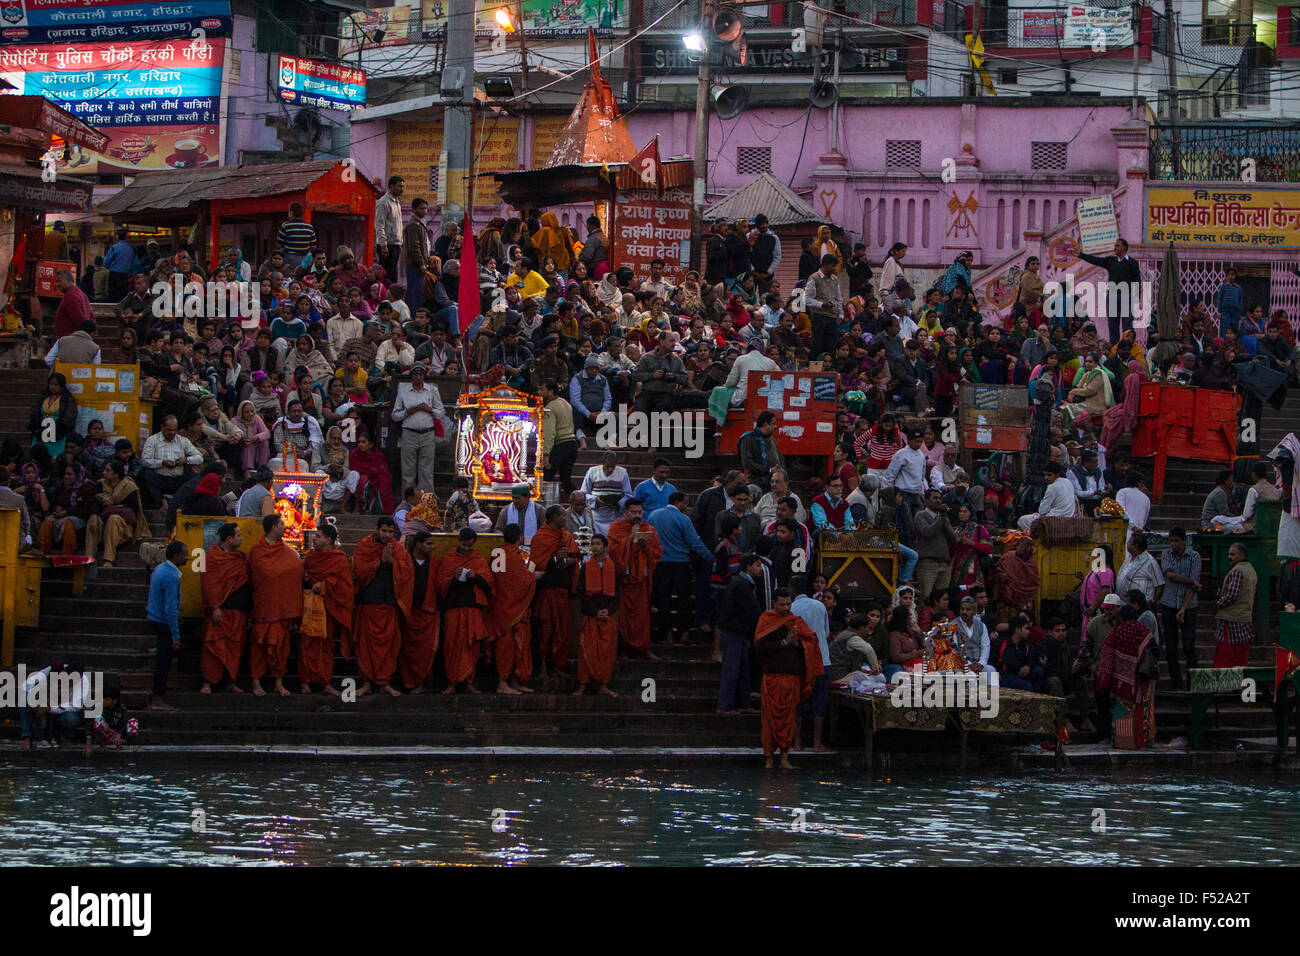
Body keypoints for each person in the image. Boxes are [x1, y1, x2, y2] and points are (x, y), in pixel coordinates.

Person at [754, 588, 823, 769]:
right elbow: (759, 647)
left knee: (788, 720)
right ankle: (768, 758)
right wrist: (783, 643)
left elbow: (812, 644)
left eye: (788, 604)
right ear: (774, 604)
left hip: (792, 678)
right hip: (771, 678)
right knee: (769, 720)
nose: (786, 608)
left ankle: (784, 757)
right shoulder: (766, 620)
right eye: (782, 604)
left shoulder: (796, 622)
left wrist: (797, 643)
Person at [351, 516, 413, 697]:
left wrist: (393, 563)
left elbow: (407, 570)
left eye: (391, 532)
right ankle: (367, 683)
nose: (387, 535)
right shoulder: (364, 546)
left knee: (388, 647)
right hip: (369, 603)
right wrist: (380, 563)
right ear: (377, 530)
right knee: (366, 647)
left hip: (389, 604)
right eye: (384, 531)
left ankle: (384, 682)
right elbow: (359, 570)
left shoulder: (397, 549)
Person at [248, 513, 303, 698]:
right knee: (259, 647)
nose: (284, 526)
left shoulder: (287, 551)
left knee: (282, 648)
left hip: (282, 609)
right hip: (264, 607)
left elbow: (295, 568)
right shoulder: (257, 551)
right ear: (272, 527)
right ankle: (256, 682)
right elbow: (264, 574)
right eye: (281, 524)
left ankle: (278, 682)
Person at [437, 528, 494, 693]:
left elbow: (489, 583)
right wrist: (452, 578)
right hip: (453, 608)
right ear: (458, 541)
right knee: (451, 646)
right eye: (464, 544)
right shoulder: (449, 558)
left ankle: (469, 681)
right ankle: (451, 683)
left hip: (473, 607)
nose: (466, 548)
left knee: (472, 647)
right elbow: (440, 583)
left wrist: (475, 576)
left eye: (470, 545)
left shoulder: (478, 559)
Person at [607, 499, 662, 660]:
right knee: (624, 616)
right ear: (626, 512)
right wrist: (629, 540)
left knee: (642, 616)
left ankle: (644, 648)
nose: (637, 515)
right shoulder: (616, 528)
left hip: (641, 580)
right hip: (625, 579)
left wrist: (645, 547)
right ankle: (623, 649)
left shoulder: (649, 529)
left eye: (640, 512)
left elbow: (657, 552)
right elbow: (612, 551)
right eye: (634, 512)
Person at [484, 524, 535, 695]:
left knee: (512, 648)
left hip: (501, 606)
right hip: (512, 609)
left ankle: (514, 682)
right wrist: (534, 575)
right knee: (508, 648)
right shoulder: (515, 555)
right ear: (519, 537)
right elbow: (524, 581)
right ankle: (502, 683)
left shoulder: (496, 553)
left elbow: (499, 579)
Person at [303, 524, 353, 696]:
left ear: (329, 539)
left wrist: (324, 586)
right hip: (311, 606)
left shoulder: (339, 559)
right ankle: (305, 682)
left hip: (329, 607)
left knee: (326, 647)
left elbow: (346, 586)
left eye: (318, 536)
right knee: (307, 644)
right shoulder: (311, 558)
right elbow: (306, 577)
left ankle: (325, 682)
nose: (315, 539)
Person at [200, 522, 249, 695]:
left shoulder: (240, 558)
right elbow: (209, 584)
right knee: (213, 647)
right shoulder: (211, 557)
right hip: (220, 609)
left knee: (235, 648)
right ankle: (207, 682)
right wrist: (215, 607)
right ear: (229, 538)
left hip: (238, 610)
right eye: (238, 535)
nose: (241, 538)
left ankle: (231, 680)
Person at [531, 505, 580, 678]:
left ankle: (558, 665)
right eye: (562, 516)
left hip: (563, 590)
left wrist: (569, 562)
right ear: (552, 518)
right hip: (546, 591)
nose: (565, 519)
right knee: (545, 630)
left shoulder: (566, 536)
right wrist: (554, 559)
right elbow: (536, 563)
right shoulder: (540, 537)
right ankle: (543, 664)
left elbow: (576, 558)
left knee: (562, 631)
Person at [573, 533, 619, 697]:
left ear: (605, 547)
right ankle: (583, 684)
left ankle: (603, 685)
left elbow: (617, 593)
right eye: (593, 544)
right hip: (591, 615)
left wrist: (609, 610)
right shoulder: (586, 566)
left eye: (598, 544)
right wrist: (595, 611)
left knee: (606, 653)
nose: (595, 546)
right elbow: (581, 592)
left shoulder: (612, 567)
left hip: (608, 615)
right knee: (586, 651)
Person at [790, 574, 831, 753]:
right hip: (822, 658)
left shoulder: (790, 607)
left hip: (799, 659)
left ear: (792, 590)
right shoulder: (819, 606)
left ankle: (797, 742)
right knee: (819, 701)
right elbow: (826, 632)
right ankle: (816, 743)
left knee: (798, 701)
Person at [145, 540, 187, 712]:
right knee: (163, 662)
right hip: (163, 623)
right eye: (185, 554)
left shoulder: (160, 569)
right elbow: (170, 609)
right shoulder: (170, 576)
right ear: (176, 556)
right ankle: (158, 699)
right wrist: (175, 636)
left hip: (155, 618)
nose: (187, 557)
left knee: (163, 660)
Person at [391, 362, 444, 493]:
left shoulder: (432, 390)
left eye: (421, 374)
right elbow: (394, 416)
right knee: (408, 472)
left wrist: (430, 410)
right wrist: (407, 412)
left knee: (426, 472)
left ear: (424, 376)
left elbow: (441, 412)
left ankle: (426, 504)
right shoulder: (403, 390)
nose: (418, 377)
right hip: (409, 433)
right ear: (411, 376)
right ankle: (408, 503)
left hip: (428, 434)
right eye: (416, 374)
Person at [85, 459, 148, 568]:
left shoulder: (129, 487)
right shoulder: (102, 484)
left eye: (107, 470)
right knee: (94, 519)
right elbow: (95, 503)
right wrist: (94, 515)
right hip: (104, 524)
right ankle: (89, 557)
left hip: (124, 528)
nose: (104, 473)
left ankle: (108, 559)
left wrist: (112, 508)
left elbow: (133, 513)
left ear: (116, 474)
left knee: (113, 519)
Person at [1077, 238, 1142, 342]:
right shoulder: (1111, 260)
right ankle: (1114, 348)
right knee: (1113, 325)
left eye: (1117, 246)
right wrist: (1081, 255)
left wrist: (1136, 298)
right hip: (1112, 296)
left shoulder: (1132, 263)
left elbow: (1137, 281)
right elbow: (1096, 260)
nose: (1115, 248)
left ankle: (1128, 347)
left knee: (1127, 325)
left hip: (1127, 296)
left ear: (1124, 247)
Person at [140, 414, 202, 509]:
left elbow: (199, 457)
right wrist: (162, 463)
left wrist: (186, 460)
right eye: (169, 430)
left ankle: (183, 504)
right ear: (162, 427)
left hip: (177, 478)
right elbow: (145, 461)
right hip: (159, 478)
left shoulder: (182, 441)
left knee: (198, 478)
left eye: (174, 430)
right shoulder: (152, 440)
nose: (172, 433)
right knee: (146, 475)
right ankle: (160, 503)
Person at [1214, 542, 1257, 667]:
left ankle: (1227, 685)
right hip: (1243, 617)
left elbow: (1232, 594)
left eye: (1233, 554)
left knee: (1227, 657)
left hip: (1231, 620)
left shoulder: (1238, 571)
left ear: (1242, 555)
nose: (1229, 557)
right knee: (1240, 657)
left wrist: (1219, 604)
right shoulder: (1250, 569)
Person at [540, 378, 582, 494]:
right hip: (572, 444)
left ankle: (542, 504)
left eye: (542, 390)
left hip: (561, 445)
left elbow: (549, 433)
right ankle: (582, 500)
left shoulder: (550, 408)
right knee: (566, 480)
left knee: (546, 476)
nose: (539, 393)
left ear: (550, 391)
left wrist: (546, 454)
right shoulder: (566, 403)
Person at [913, 488, 956, 599]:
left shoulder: (943, 517)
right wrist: (940, 519)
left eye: (940, 498)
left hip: (944, 563)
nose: (938, 501)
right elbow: (927, 532)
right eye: (934, 498)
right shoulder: (920, 515)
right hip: (927, 564)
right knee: (925, 597)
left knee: (942, 599)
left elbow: (953, 539)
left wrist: (944, 519)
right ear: (926, 501)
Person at [1017, 460, 1078, 531]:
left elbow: (1042, 511)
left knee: (1022, 520)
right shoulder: (1068, 482)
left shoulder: (1052, 487)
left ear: (1057, 475)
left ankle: (1036, 537)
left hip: (1054, 520)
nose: (1046, 478)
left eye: (1049, 475)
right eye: (1045, 475)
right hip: (1069, 518)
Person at [580, 451, 631, 535]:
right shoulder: (592, 471)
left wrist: (619, 503)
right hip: (596, 515)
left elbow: (628, 495)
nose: (610, 469)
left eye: (613, 467)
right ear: (602, 463)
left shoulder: (623, 473)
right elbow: (583, 493)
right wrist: (597, 500)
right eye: (607, 466)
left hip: (616, 515)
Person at [1115, 533, 1165, 606]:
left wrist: (1153, 602)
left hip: (1140, 606)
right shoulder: (1129, 558)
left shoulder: (1150, 562)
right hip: (1124, 603)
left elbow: (1160, 585)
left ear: (1136, 546)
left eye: (1129, 542)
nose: (1127, 544)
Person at [996, 615, 1043, 691]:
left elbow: (1033, 658)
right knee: (1026, 686)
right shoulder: (1001, 643)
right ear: (1017, 630)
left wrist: (1028, 666)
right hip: (1006, 675)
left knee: (1038, 671)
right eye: (1026, 629)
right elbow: (992, 660)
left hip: (1022, 675)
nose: (1028, 632)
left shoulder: (1027, 645)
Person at [375, 175, 405, 279]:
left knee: (393, 275)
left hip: (396, 244)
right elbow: (379, 224)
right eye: (399, 186)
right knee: (386, 275)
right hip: (387, 245)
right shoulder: (384, 202)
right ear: (391, 187)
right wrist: (383, 245)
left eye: (402, 187)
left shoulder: (396, 203)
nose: (402, 189)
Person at [53, 268, 93, 339]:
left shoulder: (70, 296)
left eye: (59, 281)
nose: (57, 284)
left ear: (69, 281)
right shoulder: (80, 293)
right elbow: (91, 316)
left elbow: (79, 319)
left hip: (71, 340)